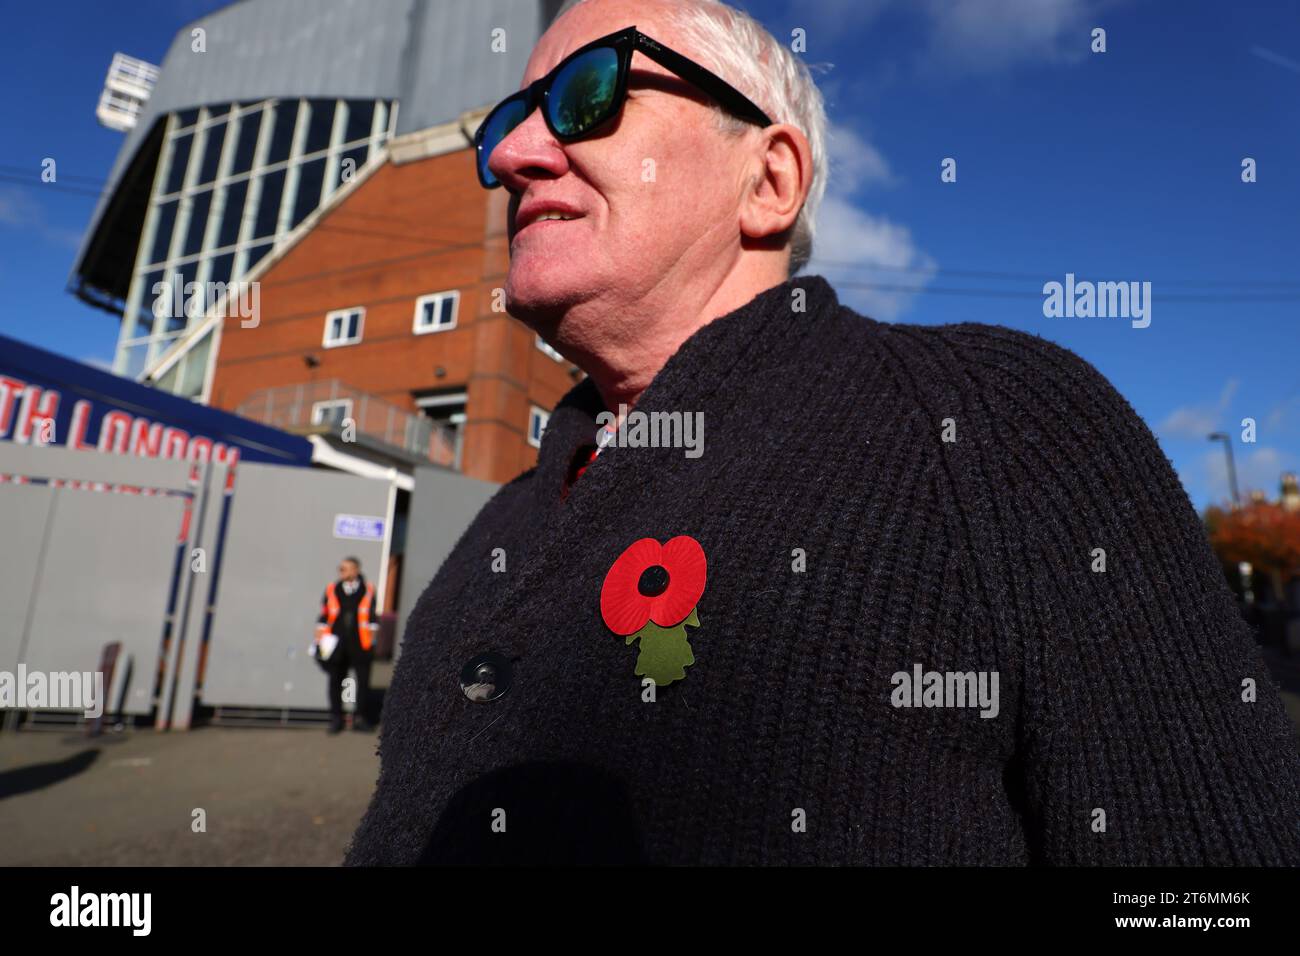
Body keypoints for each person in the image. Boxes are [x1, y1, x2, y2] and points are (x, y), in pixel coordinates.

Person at [345, 0, 1300, 864]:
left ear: (769, 179)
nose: (514, 158)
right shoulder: (493, 534)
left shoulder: (1001, 429)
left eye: (588, 92)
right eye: (509, 124)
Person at [316, 557, 378, 734]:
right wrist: (320, 636)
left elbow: (373, 617)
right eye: (340, 568)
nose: (341, 571)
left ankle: (360, 718)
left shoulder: (369, 589)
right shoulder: (331, 589)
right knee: (336, 680)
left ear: (356, 570)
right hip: (336, 643)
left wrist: (373, 641)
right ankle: (336, 718)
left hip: (361, 643)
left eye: (345, 569)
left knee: (363, 682)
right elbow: (324, 615)